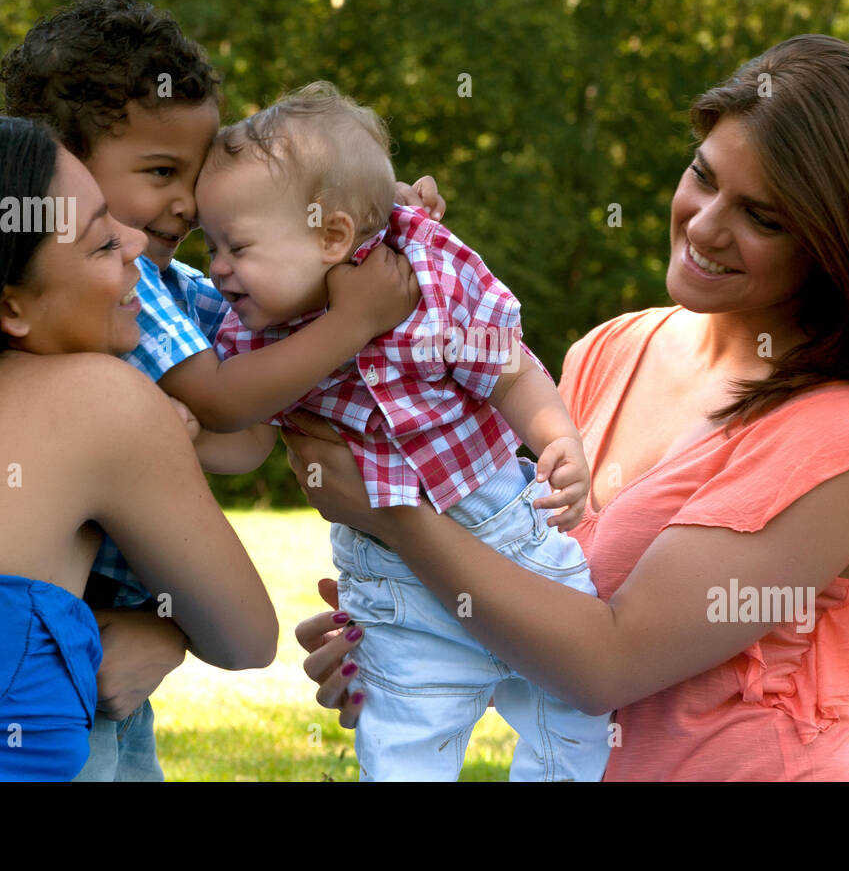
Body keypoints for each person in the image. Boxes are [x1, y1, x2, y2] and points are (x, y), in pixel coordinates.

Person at [286, 34, 849, 781]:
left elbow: (608, 661)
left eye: (763, 218)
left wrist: (392, 514)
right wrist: (409, 646)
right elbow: (528, 588)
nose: (703, 225)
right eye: (703, 175)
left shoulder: (842, 442)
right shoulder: (613, 349)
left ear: (839, 250)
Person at [0, 0, 441, 779]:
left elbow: (246, 427)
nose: (188, 203)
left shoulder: (175, 288)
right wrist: (353, 323)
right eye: (161, 172)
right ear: (56, 166)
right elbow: (229, 400)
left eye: (195, 175)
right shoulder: (115, 283)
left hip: (118, 657)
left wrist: (372, 219)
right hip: (37, 664)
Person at [0, 114, 277, 780]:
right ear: (11, 309)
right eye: (98, 244)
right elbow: (246, 637)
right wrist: (165, 628)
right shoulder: (100, 397)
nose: (134, 244)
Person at [198, 81, 611, 781]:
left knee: (576, 721)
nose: (215, 267)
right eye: (209, 245)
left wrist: (558, 438)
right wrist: (184, 435)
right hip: (396, 595)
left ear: (331, 235)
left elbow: (506, 369)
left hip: (513, 541)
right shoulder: (253, 338)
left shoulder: (424, 272)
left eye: (234, 247)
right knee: (401, 753)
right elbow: (248, 438)